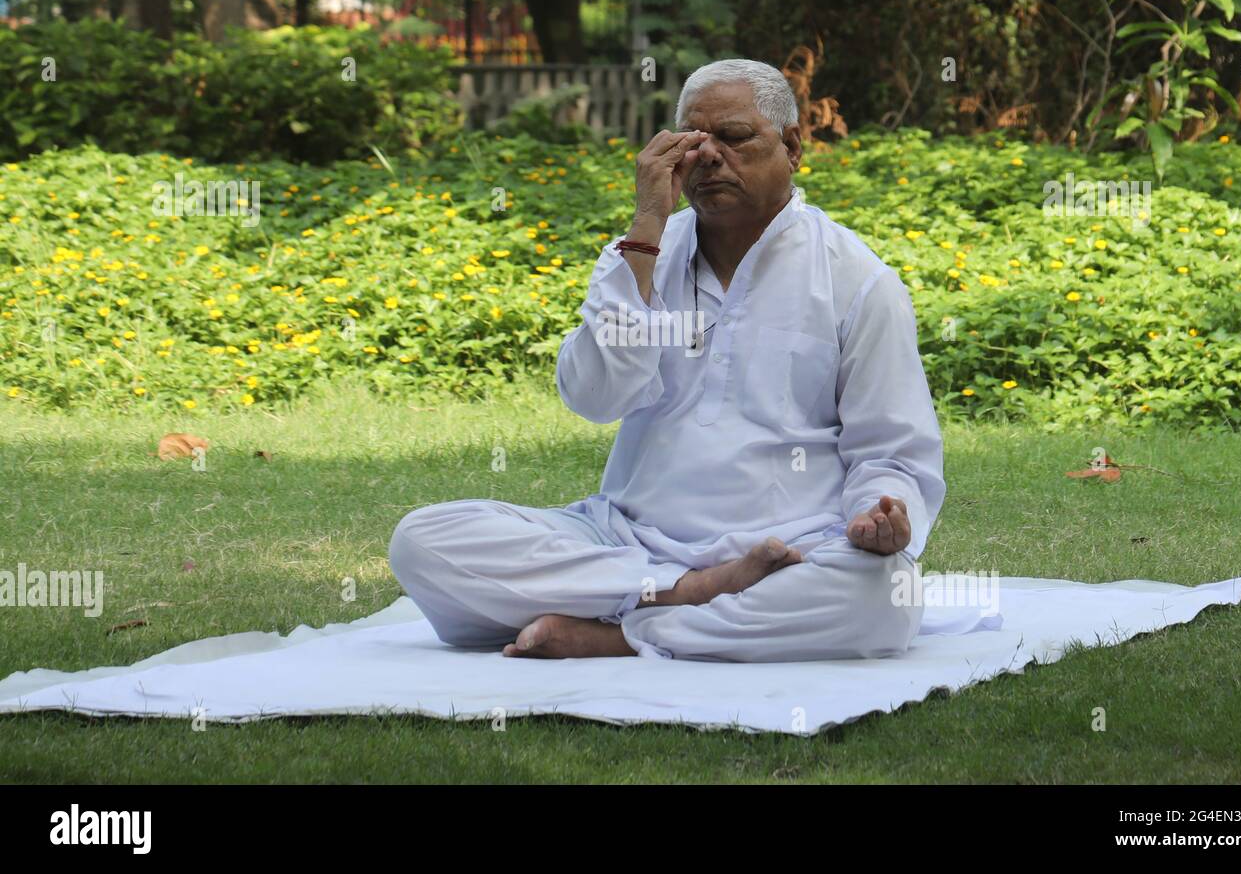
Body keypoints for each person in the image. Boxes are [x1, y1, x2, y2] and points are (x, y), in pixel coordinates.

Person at [389, 58, 945, 662]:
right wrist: (648, 225)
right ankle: (689, 596)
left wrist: (877, 514)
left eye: (733, 138)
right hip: (626, 543)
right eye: (693, 140)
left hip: (787, 548)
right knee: (424, 541)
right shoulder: (639, 255)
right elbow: (594, 398)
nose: (709, 156)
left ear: (792, 147)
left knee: (884, 596)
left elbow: (891, 452)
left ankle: (617, 635)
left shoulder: (858, 280)